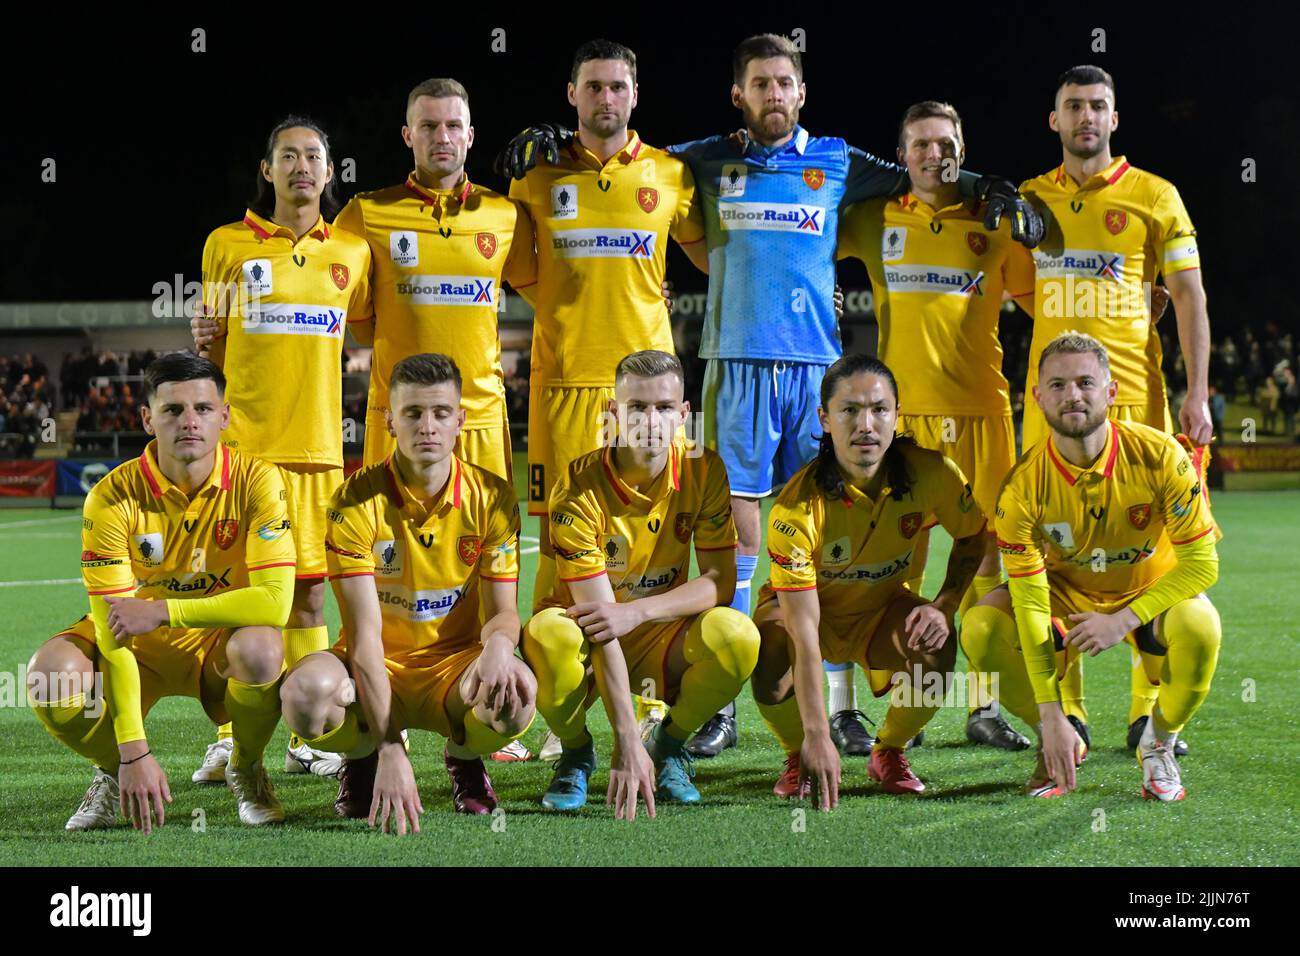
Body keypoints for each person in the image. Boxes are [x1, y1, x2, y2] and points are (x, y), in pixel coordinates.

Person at [1018, 65, 1214, 749]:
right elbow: (1014, 290)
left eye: (1098, 105)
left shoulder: (1157, 196)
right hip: (1051, 408)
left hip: (1138, 405)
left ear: (1115, 118)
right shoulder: (1029, 202)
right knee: (1048, 550)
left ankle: (1146, 712)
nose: (1086, 118)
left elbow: (1188, 296)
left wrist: (1197, 389)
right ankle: (1067, 711)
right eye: (1073, 105)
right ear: (1055, 120)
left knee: (1149, 554)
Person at [838, 99, 1039, 751]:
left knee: (983, 557)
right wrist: (818, 291)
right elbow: (802, 240)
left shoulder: (996, 221)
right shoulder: (874, 218)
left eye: (945, 143)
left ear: (962, 149)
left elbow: (1044, 299)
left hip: (983, 415)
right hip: (904, 425)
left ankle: (984, 710)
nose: (934, 154)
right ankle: (911, 703)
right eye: (921, 144)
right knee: (901, 562)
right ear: (901, 154)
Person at [27, 353, 294, 831]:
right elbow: (113, 631)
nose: (189, 422)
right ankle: (112, 771)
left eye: (203, 409)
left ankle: (247, 767)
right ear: (147, 418)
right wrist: (132, 749)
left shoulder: (258, 480)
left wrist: (163, 611)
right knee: (50, 675)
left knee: (261, 647)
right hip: (136, 648)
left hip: (215, 643)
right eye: (172, 410)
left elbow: (276, 602)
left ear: (225, 416)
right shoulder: (111, 496)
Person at [190, 117, 372, 782]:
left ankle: (305, 733)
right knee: (235, 601)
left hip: (321, 458)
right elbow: (208, 351)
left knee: (309, 603)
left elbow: (379, 324)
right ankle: (230, 736)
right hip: (243, 459)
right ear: (266, 170)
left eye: (314, 156)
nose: (302, 166)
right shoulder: (226, 245)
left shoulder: (352, 253)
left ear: (330, 172)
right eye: (288, 156)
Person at [280, 354, 535, 828]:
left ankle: (463, 758)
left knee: (517, 693)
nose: (428, 426)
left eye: (441, 413)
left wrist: (500, 643)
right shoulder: (354, 501)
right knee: (304, 694)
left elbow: (503, 613)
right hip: (378, 664)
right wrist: (389, 746)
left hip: (455, 669)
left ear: (461, 420)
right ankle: (362, 758)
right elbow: (363, 637)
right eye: (413, 413)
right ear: (390, 421)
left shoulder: (493, 497)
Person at [965, 332, 1220, 800]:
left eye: (1085, 382)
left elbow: (1203, 566)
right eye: (1058, 386)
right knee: (980, 627)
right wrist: (1048, 712)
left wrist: (1122, 619)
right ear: (1038, 397)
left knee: (1202, 625)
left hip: (1149, 592)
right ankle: (1056, 735)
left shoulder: (1162, 456)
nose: (1073, 395)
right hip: (1068, 600)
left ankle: (1158, 740)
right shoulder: (1021, 489)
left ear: (1111, 391)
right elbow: (1029, 599)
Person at [522, 350, 759, 817]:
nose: (651, 420)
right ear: (614, 412)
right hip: (584, 634)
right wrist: (624, 739)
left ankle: (668, 745)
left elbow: (719, 582)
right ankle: (576, 752)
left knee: (738, 636)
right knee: (547, 635)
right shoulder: (577, 486)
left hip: (656, 634)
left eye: (665, 407)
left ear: (684, 414)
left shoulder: (704, 469)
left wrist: (639, 611)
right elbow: (601, 620)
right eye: (637, 408)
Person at [751, 354, 987, 807]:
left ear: (897, 415)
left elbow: (973, 536)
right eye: (850, 410)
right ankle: (797, 754)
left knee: (936, 642)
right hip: (808, 618)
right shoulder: (796, 509)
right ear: (824, 419)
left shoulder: (933, 472)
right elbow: (803, 632)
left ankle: (889, 750)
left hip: (879, 612)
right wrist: (818, 734)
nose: (866, 424)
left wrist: (944, 606)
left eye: (880, 409)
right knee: (770, 649)